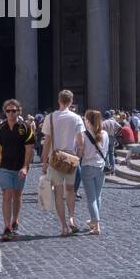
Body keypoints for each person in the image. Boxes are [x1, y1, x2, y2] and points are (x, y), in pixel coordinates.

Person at [43, 90, 86, 236]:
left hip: (55, 159)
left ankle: (63, 226)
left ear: (59, 100)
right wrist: (78, 157)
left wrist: (44, 161)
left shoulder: (50, 118)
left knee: (58, 194)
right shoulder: (76, 118)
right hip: (71, 159)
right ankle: (72, 218)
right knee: (71, 191)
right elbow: (81, 142)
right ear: (71, 101)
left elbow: (47, 142)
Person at [0, 99, 35, 241]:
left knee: (17, 195)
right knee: (7, 194)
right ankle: (6, 227)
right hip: (4, 166)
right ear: (5, 112)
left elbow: (29, 149)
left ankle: (15, 220)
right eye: (8, 111)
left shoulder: (26, 128)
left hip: (20, 167)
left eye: (14, 111)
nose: (11, 113)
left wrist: (25, 167)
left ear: (18, 111)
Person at [79, 110, 110, 235]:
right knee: (97, 196)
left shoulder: (84, 135)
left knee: (91, 198)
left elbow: (82, 154)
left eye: (85, 119)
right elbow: (106, 151)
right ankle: (94, 220)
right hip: (101, 167)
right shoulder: (105, 134)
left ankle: (96, 224)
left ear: (88, 121)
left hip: (87, 166)